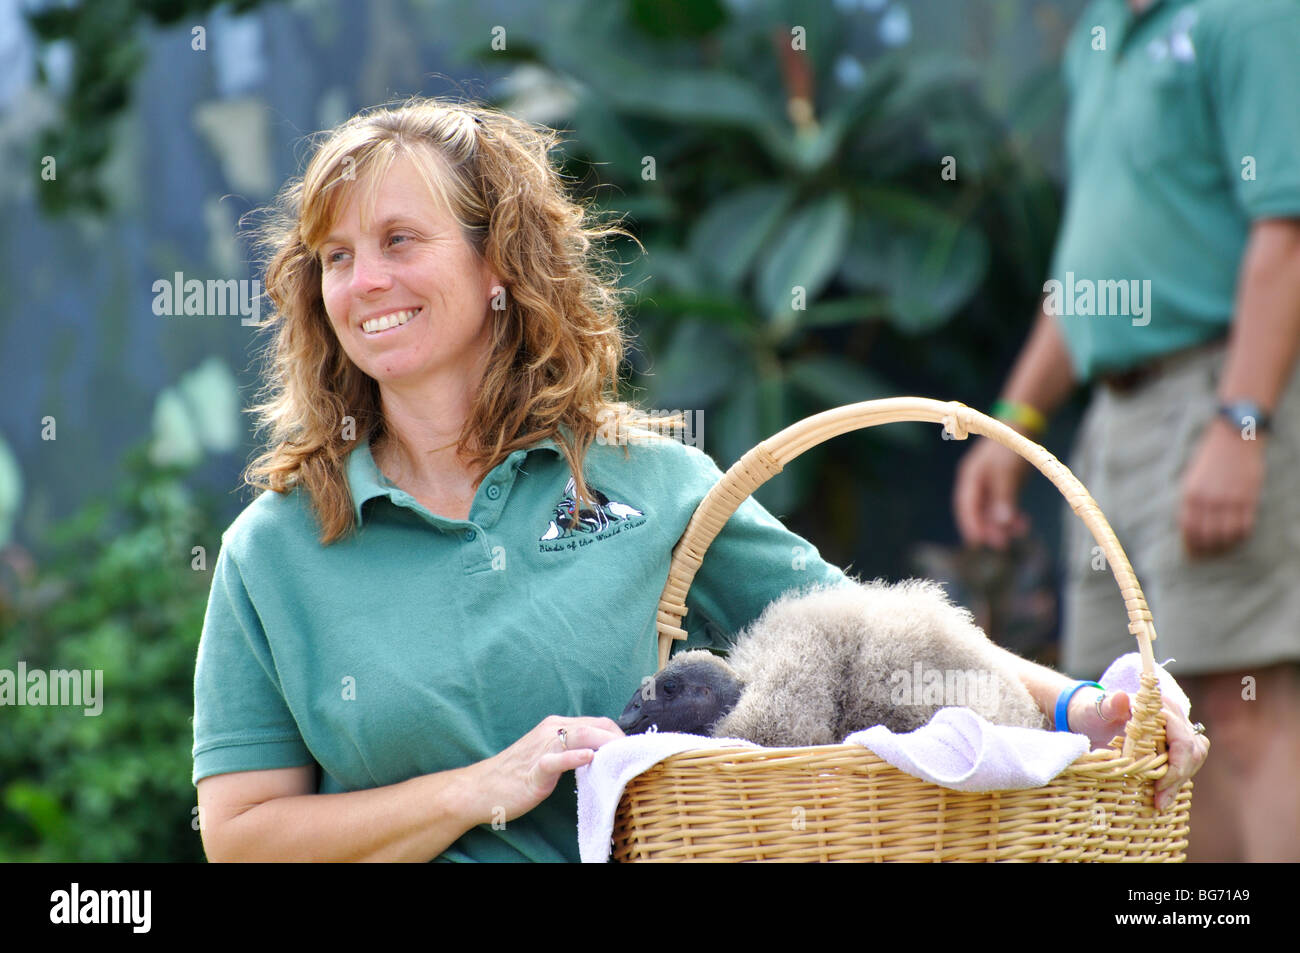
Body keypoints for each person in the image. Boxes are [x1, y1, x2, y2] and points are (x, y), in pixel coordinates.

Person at [193, 97, 1207, 863]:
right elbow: (240, 833)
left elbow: (878, 632)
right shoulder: (275, 549)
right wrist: (479, 786)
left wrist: (1089, 706)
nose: (361, 282)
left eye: (399, 241)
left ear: (498, 264)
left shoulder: (649, 479)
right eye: (334, 257)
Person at [954, 0, 1300, 861]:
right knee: (1124, 718)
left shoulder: (1250, 16)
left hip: (1219, 390)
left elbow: (1288, 228)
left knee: (1235, 708)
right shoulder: (1103, 35)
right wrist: (1015, 424)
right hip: (1112, 421)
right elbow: (1091, 268)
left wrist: (1241, 423)